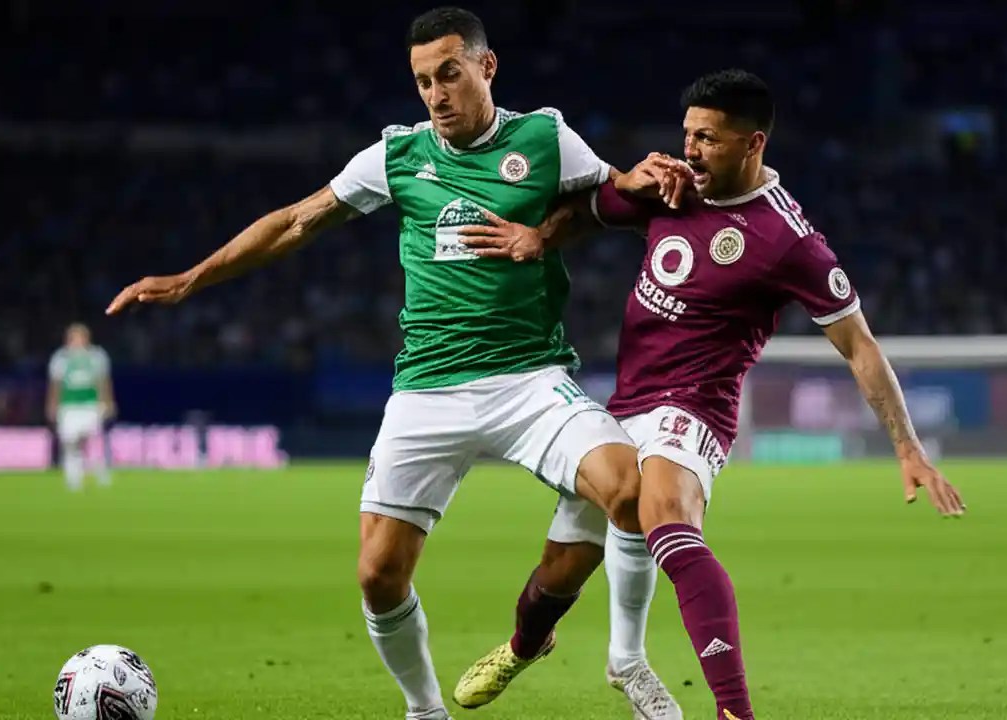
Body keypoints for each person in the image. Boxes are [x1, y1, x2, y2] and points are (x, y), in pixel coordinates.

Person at [105, 7, 681, 719]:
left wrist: (561, 223)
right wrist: (190, 280)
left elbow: (605, 201)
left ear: (485, 66)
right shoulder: (398, 156)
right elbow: (295, 220)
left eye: (449, 74)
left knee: (629, 488)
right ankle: (424, 710)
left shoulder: (545, 137)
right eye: (422, 82)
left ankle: (620, 661)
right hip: (427, 391)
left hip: (530, 379)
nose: (436, 95)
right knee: (378, 575)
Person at [457, 68, 967, 720]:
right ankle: (526, 646)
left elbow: (860, 345)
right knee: (560, 567)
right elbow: (593, 211)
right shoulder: (671, 187)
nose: (691, 150)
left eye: (708, 140)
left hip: (697, 408)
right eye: (688, 134)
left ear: (753, 144)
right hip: (625, 403)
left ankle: (733, 710)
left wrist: (908, 448)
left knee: (665, 510)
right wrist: (542, 235)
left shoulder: (790, 241)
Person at [46, 322, 115, 490]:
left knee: (95, 441)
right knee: (70, 443)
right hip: (69, 407)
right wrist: (52, 405)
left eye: (80, 337)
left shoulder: (96, 356)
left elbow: (103, 382)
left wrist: (108, 401)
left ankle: (101, 472)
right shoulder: (60, 358)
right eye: (73, 337)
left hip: (90, 406)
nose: (77, 341)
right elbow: (55, 385)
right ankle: (73, 477)